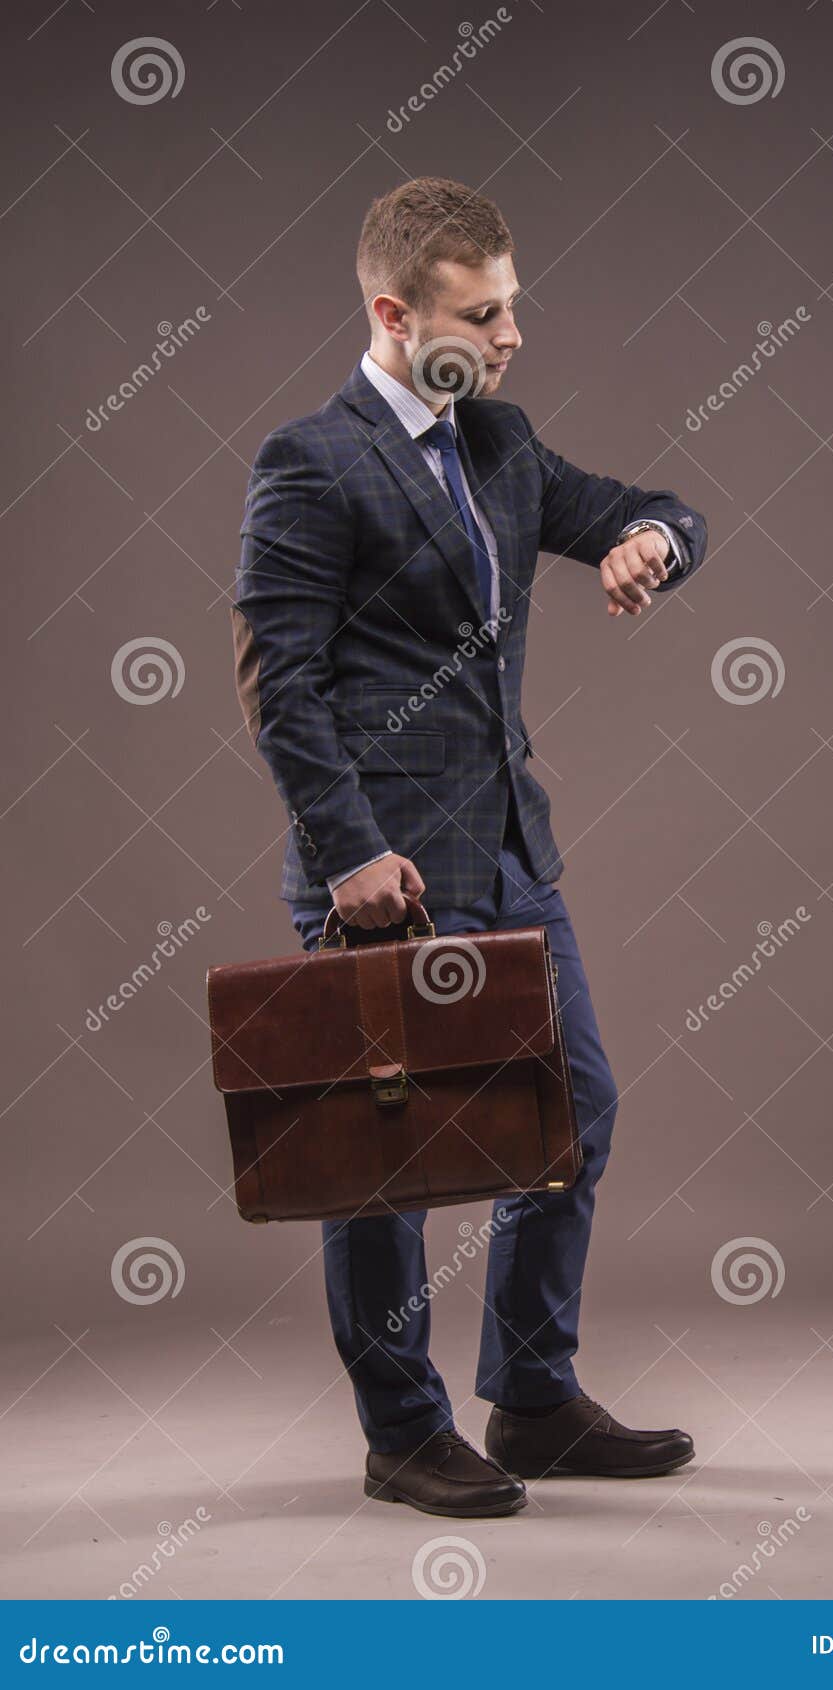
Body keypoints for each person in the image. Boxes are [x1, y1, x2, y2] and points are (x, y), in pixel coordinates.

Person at [232, 176, 708, 1517]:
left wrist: (649, 543)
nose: (510, 335)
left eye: (512, 305)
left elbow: (653, 504)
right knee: (381, 1167)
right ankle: (402, 1431)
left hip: (507, 853)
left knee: (571, 1113)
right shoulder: (311, 462)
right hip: (380, 874)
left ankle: (535, 1399)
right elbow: (282, 684)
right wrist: (348, 855)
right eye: (480, 314)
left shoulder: (499, 441)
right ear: (394, 315)